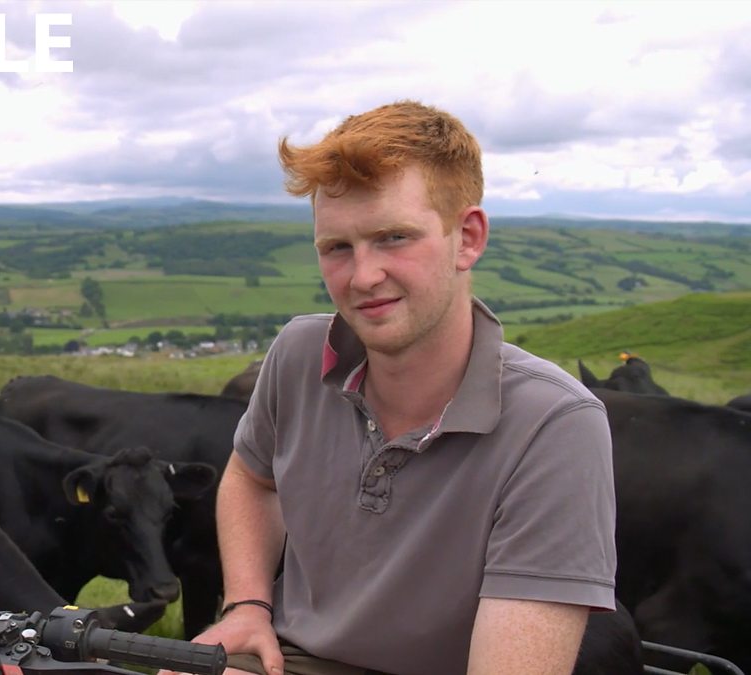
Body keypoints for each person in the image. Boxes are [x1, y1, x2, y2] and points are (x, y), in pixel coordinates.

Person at [185, 101, 617, 675]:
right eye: (337, 247)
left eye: (393, 237)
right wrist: (247, 603)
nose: (362, 277)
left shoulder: (553, 425)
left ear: (467, 238)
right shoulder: (297, 356)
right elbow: (250, 475)